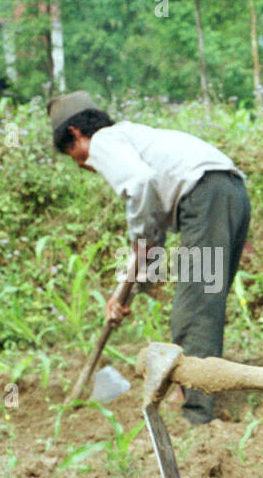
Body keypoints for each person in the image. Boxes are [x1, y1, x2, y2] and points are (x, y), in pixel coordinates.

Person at [50, 91, 250, 424]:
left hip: (206, 196)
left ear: (76, 133)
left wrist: (140, 246)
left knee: (196, 305)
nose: (85, 167)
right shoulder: (131, 139)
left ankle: (193, 411)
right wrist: (123, 292)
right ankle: (190, 397)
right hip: (226, 193)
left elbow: (140, 190)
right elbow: (151, 235)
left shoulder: (104, 141)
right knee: (204, 299)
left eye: (76, 157)